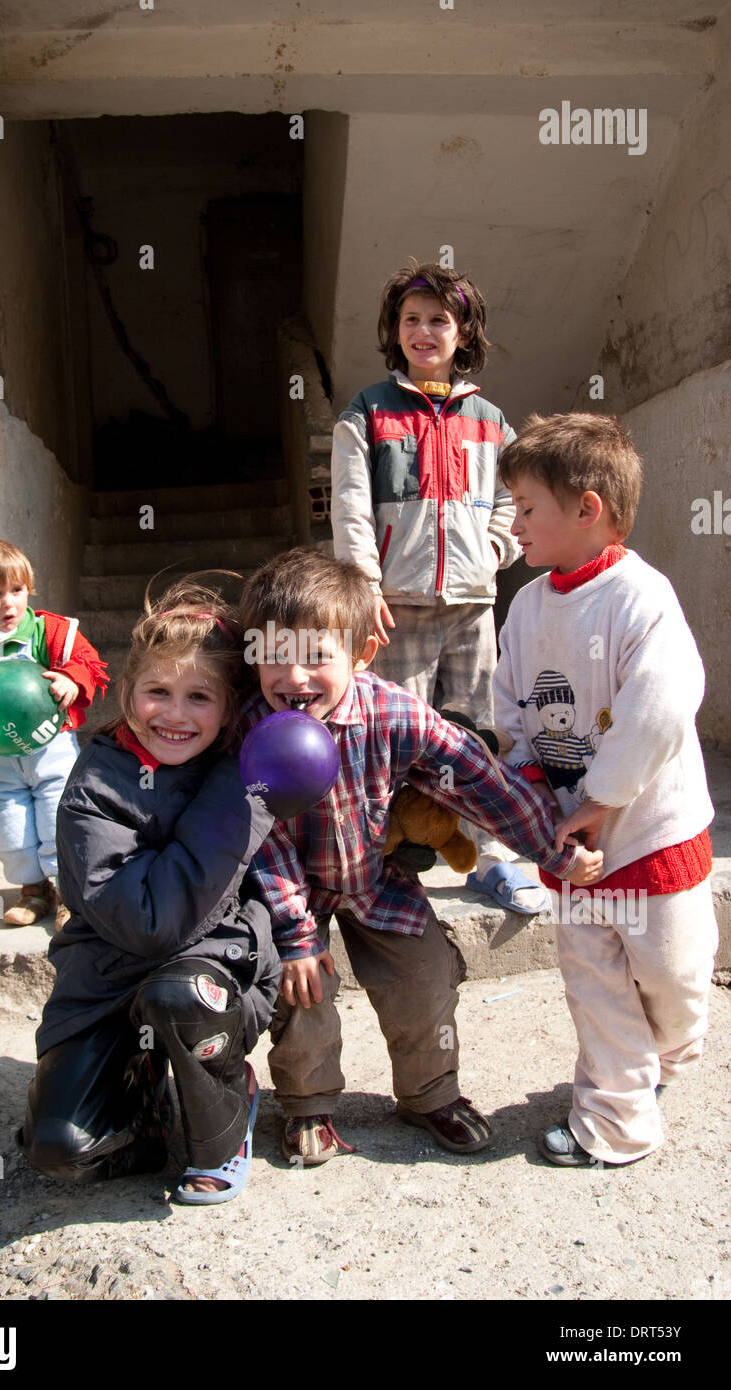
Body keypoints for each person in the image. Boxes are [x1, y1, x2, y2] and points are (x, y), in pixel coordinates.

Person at [238, 547, 603, 1165]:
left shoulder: (393, 712)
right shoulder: (249, 730)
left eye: (316, 656)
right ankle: (308, 1104)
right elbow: (261, 840)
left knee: (427, 978)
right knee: (299, 990)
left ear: (360, 654)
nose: (294, 678)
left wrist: (552, 847)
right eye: (274, 656)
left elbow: (478, 778)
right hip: (291, 886)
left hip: (374, 874)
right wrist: (298, 937)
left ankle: (431, 1093)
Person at [493, 413, 718, 1166]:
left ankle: (666, 1059)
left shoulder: (640, 597)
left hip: (654, 838)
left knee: (674, 983)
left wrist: (601, 798)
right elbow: (512, 710)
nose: (514, 523)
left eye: (527, 507)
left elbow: (663, 701)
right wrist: (534, 802)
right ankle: (615, 1118)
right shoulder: (525, 608)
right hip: (574, 855)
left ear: (586, 508)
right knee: (596, 987)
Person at [18, 581, 280, 1204]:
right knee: (63, 1148)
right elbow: (145, 921)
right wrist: (237, 792)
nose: (175, 714)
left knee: (180, 993)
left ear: (228, 705)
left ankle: (222, 1115)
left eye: (200, 697)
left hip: (214, 962)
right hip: (106, 977)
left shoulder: (240, 766)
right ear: (127, 694)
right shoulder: (95, 787)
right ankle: (146, 1106)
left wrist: (240, 784)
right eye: (157, 692)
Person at [330, 258, 547, 914]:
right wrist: (365, 586)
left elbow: (516, 497)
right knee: (392, 740)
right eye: (411, 319)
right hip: (395, 609)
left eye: (439, 320)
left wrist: (496, 549)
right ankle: (377, 864)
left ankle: (491, 858)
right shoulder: (367, 412)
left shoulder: (492, 420)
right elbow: (349, 506)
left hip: (473, 608)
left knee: (481, 736)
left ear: (463, 332)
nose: (424, 330)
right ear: (394, 331)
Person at [0, 537, 108, 928]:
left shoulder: (49, 633)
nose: (8, 603)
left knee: (57, 817)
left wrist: (72, 680)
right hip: (0, 760)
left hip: (51, 750)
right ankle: (33, 891)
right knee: (10, 827)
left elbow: (89, 662)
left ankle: (68, 893)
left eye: (17, 590)